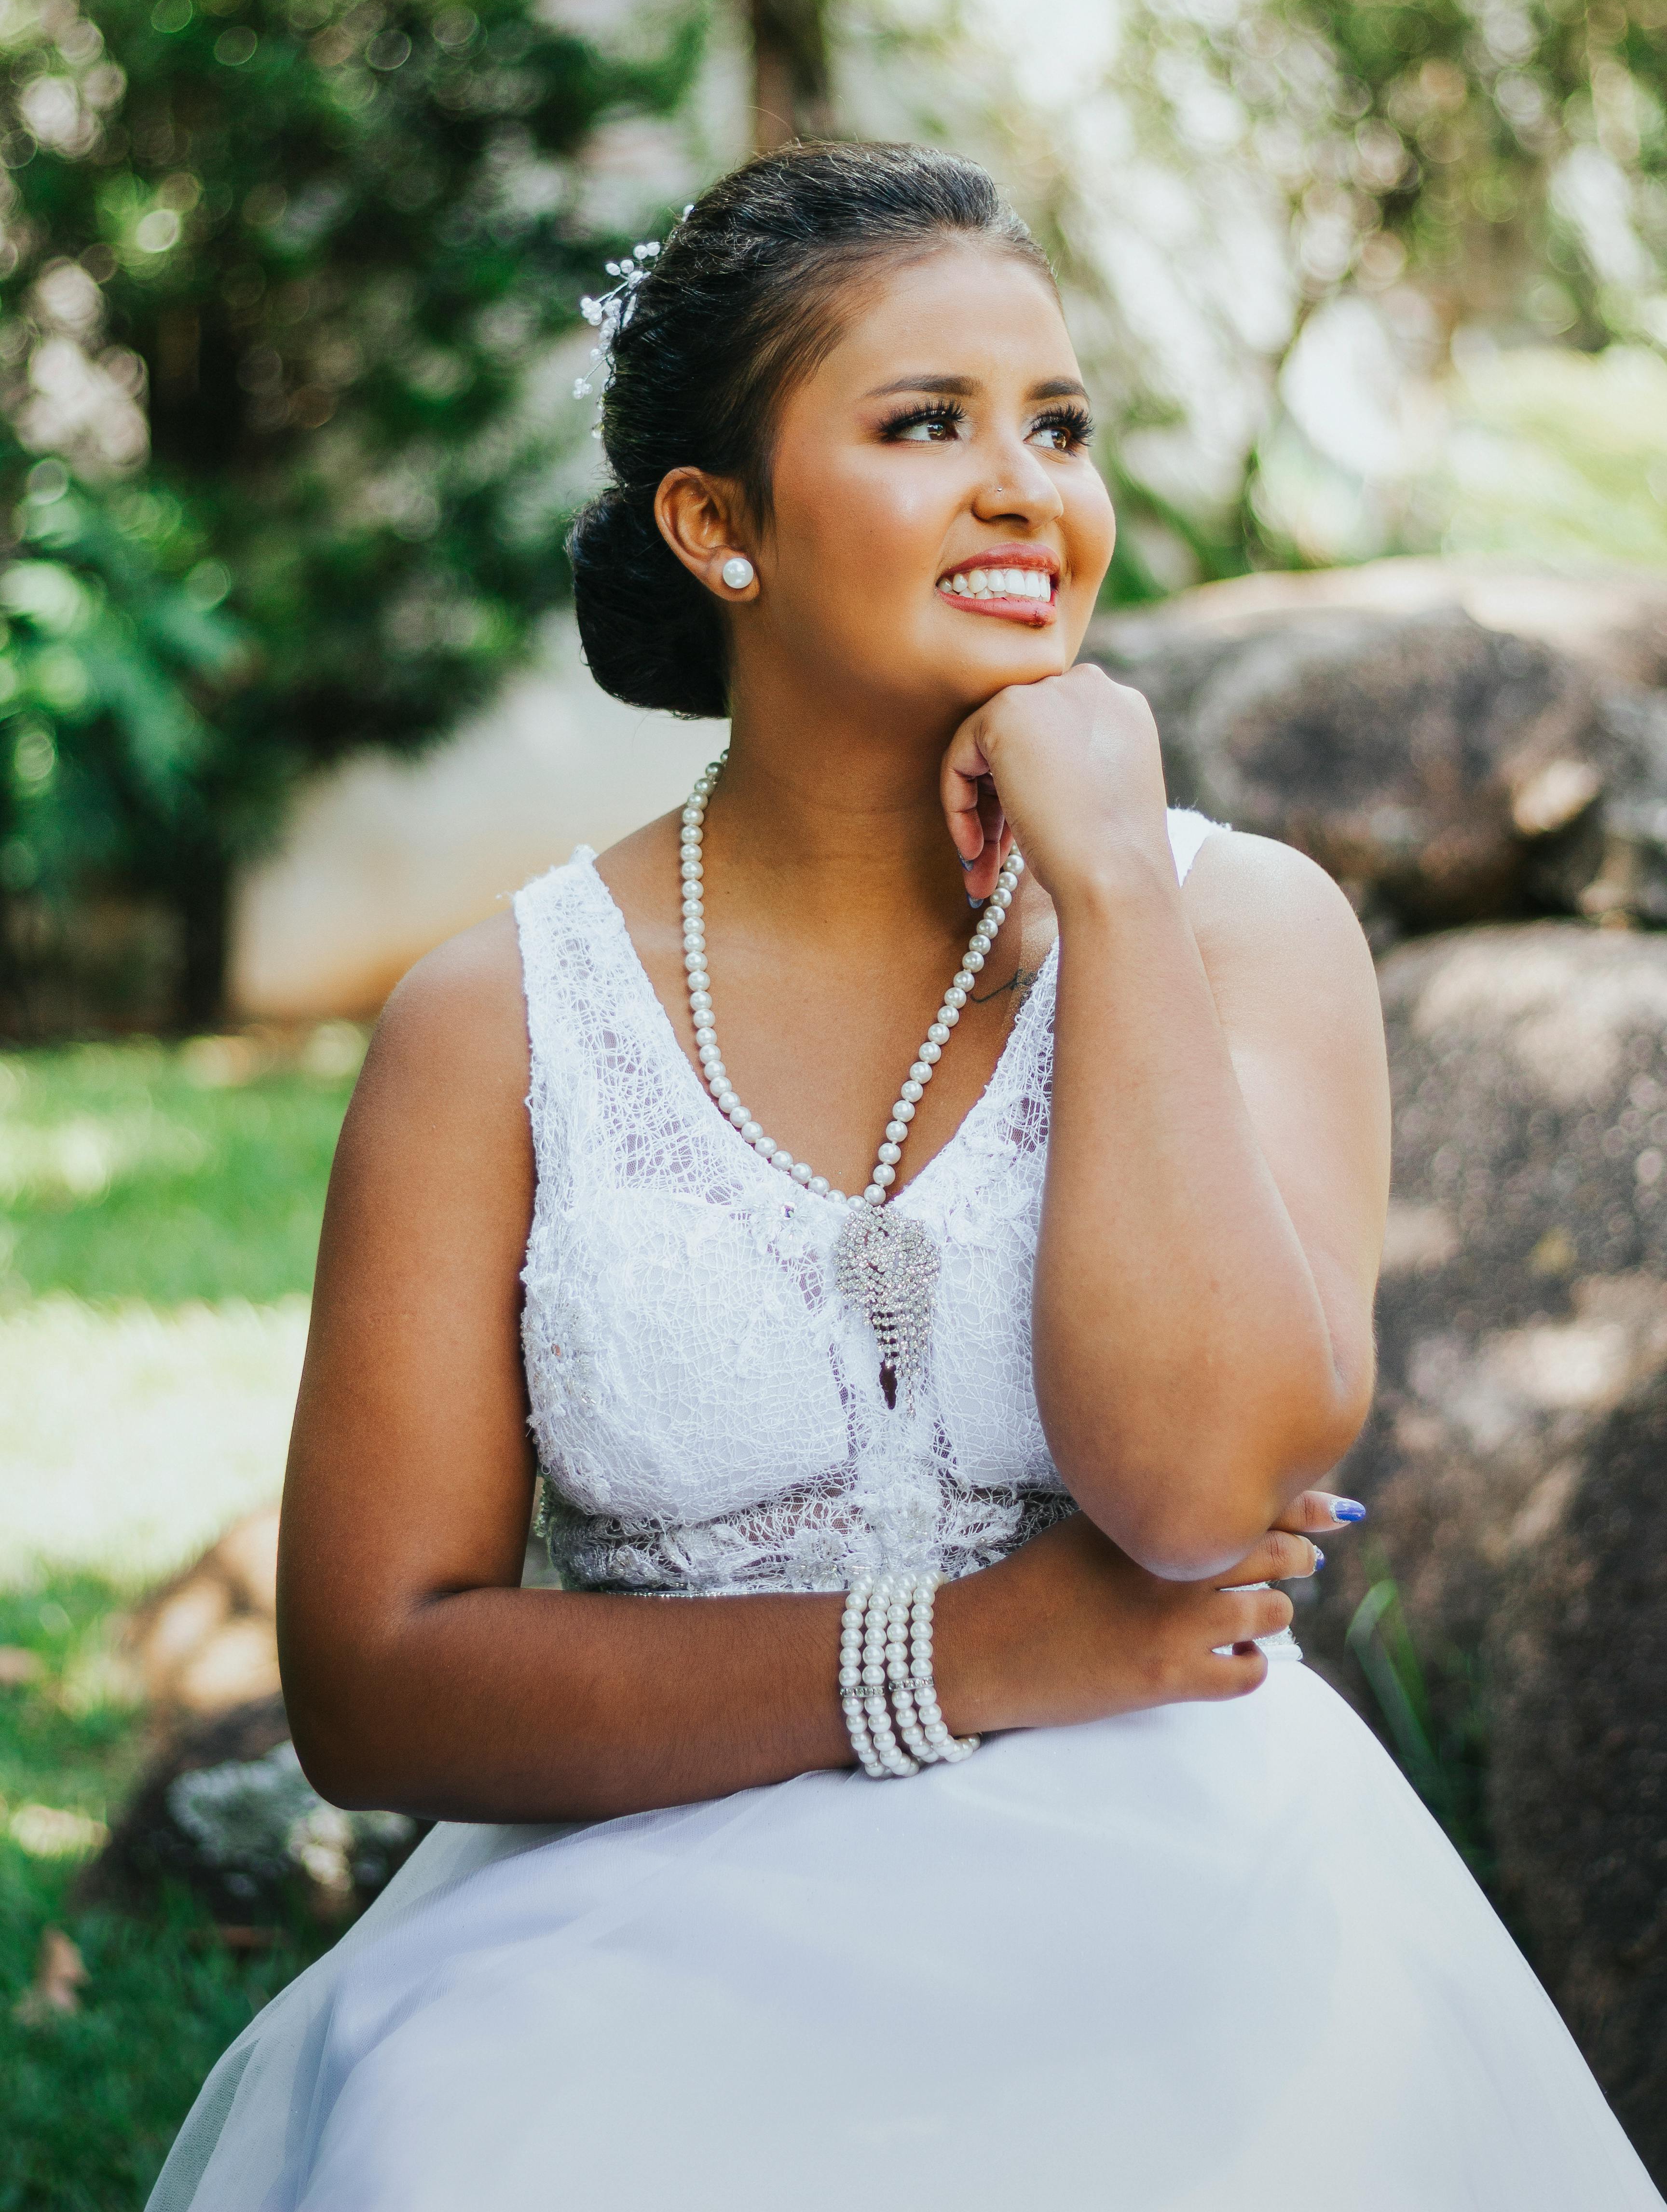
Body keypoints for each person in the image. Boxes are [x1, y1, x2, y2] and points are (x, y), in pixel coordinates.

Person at [149, 142, 1661, 2211]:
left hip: (1203, 1917)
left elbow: (1205, 1495)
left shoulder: (1247, 931)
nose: (1025, 482)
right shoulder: (493, 1024)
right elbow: (377, 1684)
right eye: (924, 423)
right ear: (718, 525)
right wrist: (972, 1652)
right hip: (615, 1935)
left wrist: (1114, 882)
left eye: (1056, 424)